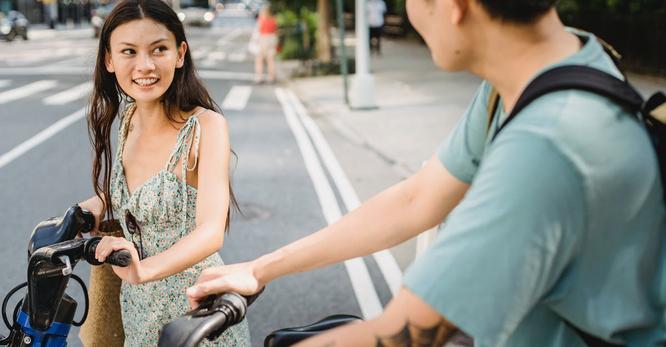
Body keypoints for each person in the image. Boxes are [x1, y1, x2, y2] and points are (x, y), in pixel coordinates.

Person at [187, 0, 666, 346]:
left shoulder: (548, 145)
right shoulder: (537, 76)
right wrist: (259, 268)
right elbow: (417, 199)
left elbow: (405, 333)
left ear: (454, 6)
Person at [77, 0, 251, 345]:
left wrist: (144, 270)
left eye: (159, 49)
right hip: (138, 311)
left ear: (180, 53)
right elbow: (136, 189)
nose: (145, 65)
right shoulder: (127, 121)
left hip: (195, 315)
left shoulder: (205, 126)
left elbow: (211, 232)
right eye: (129, 51)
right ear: (109, 60)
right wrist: (100, 202)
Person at [252, 5, 278, 84]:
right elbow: (276, 31)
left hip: (263, 39)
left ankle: (259, 77)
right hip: (272, 39)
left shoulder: (261, 20)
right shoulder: (274, 20)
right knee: (271, 60)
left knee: (259, 60)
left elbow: (258, 31)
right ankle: (271, 77)